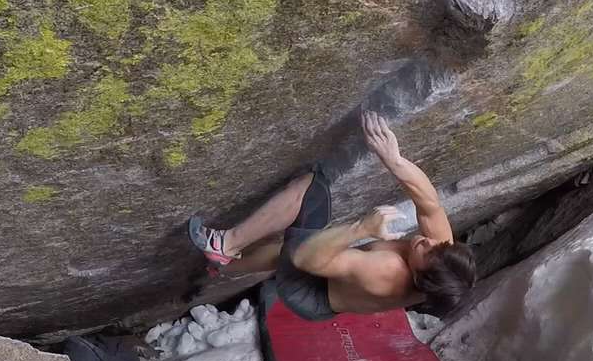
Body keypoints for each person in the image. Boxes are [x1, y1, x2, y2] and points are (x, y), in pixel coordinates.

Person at [187, 111, 476, 320]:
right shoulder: (440, 253)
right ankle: (222, 266)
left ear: (416, 276)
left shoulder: (386, 273)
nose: (427, 241)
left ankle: (224, 244)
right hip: (329, 273)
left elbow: (304, 258)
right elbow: (430, 204)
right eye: (437, 244)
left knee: (309, 191)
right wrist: (394, 160)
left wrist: (360, 229)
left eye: (426, 250)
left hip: (310, 292)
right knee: (284, 250)